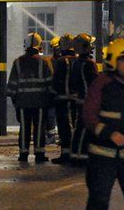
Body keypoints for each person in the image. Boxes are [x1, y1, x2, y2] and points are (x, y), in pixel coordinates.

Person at [83, 38, 124, 210]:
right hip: (103, 157)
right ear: (113, 60)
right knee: (98, 201)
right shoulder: (101, 84)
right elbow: (89, 115)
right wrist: (109, 133)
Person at [6, 32, 54, 162]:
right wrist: (51, 101)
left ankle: (23, 154)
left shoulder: (17, 62)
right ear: (39, 45)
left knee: (24, 128)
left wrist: (15, 101)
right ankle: (39, 154)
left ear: (25, 45)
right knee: (39, 128)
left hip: (22, 102)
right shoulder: (44, 63)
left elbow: (12, 85)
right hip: (40, 102)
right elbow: (50, 83)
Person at [69, 33, 99, 164]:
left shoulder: (76, 62)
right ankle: (82, 156)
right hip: (88, 101)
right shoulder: (88, 63)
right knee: (86, 129)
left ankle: (76, 154)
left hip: (81, 100)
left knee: (80, 128)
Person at [50, 34, 77, 164]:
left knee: (65, 128)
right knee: (75, 127)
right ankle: (75, 153)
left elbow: (55, 81)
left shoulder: (61, 61)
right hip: (77, 101)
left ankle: (66, 155)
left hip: (63, 100)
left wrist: (53, 95)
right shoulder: (78, 60)